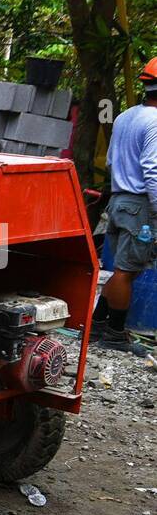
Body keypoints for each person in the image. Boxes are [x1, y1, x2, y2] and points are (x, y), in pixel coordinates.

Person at [94, 57, 157, 347]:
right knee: (127, 272)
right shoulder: (155, 122)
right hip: (139, 205)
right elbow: (152, 169)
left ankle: (97, 325)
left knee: (121, 269)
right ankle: (116, 334)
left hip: (118, 201)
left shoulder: (124, 116)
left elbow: (110, 160)